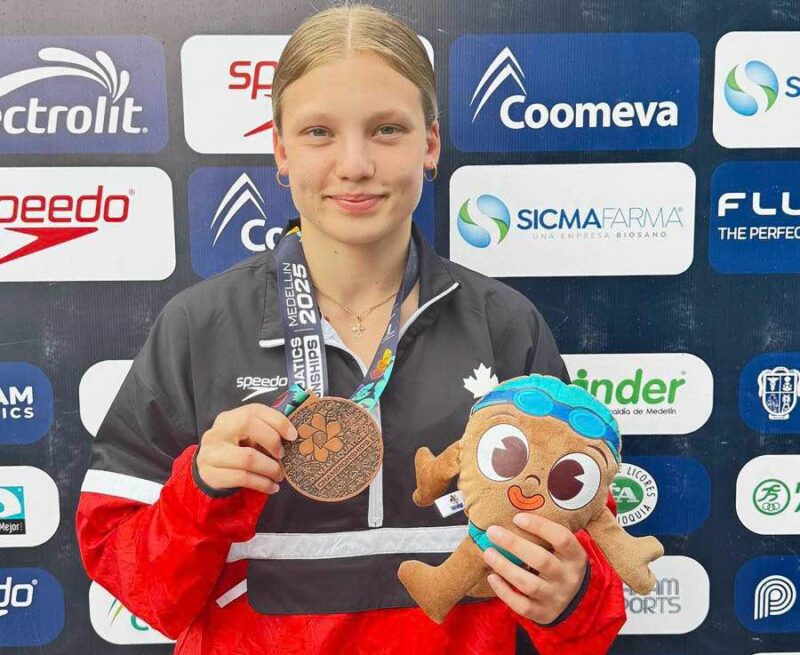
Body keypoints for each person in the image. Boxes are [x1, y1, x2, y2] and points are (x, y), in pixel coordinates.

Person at [75, 4, 626, 654]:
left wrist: (571, 593)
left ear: (430, 144)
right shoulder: (198, 327)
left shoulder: (505, 326)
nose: (355, 163)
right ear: (280, 150)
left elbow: (586, 588)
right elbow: (141, 591)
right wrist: (202, 492)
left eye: (387, 129)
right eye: (318, 132)